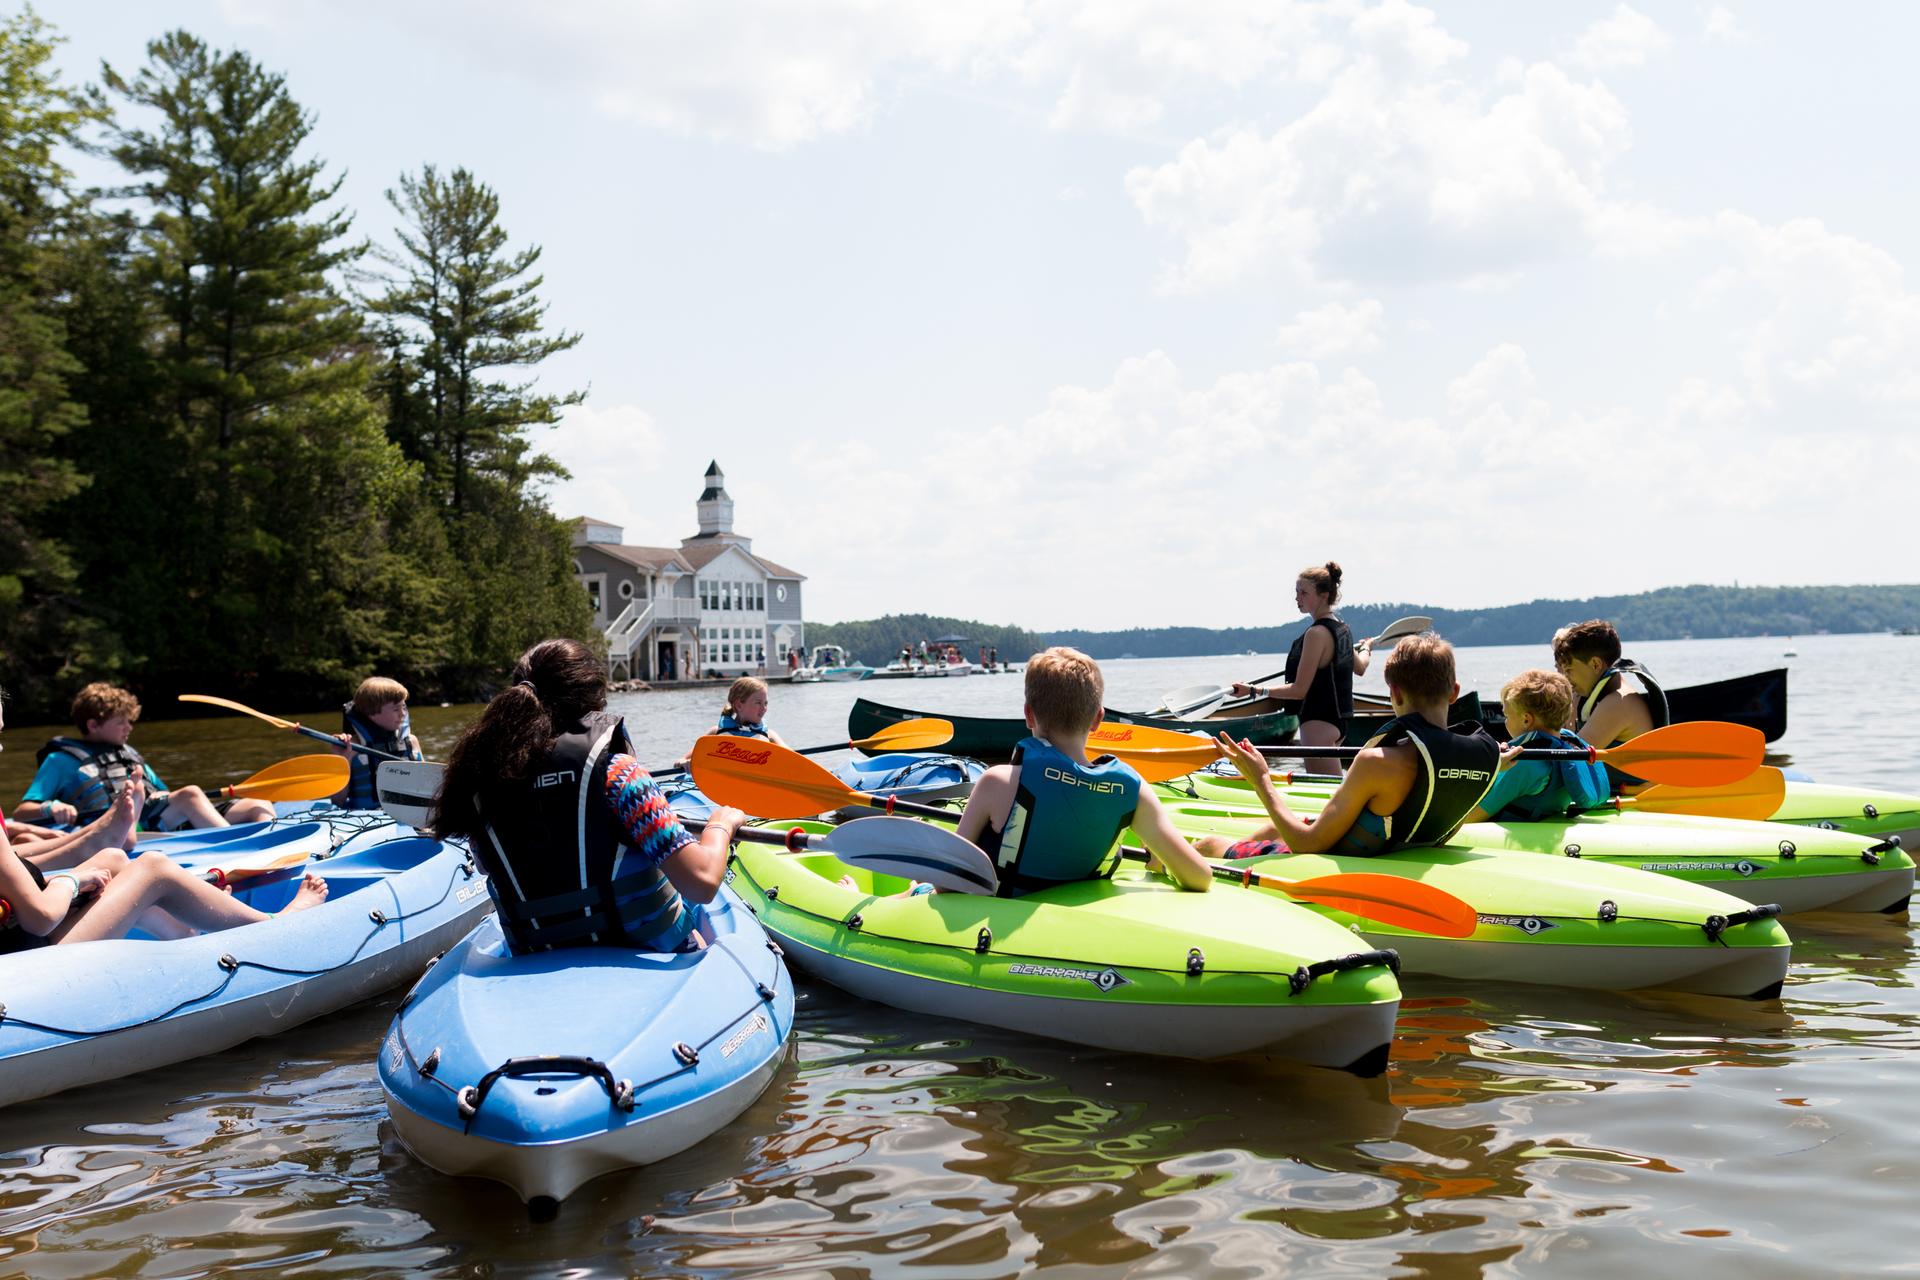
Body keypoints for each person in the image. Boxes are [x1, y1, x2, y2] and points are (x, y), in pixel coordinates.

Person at [429, 638, 747, 955]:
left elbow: (487, 867)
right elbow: (702, 883)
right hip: (640, 951)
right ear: (596, 700)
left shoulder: (481, 782)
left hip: (537, 955)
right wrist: (720, 825)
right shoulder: (620, 775)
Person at [0, 697, 326, 955]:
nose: (1, 746)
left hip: (16, 937)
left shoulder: (128, 754)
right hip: (32, 956)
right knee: (153, 867)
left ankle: (183, 932)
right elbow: (40, 919)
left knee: (112, 859)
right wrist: (71, 880)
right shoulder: (61, 761)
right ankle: (273, 924)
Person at [1197, 634, 1499, 858]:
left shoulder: (1378, 762)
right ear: (1454, 693)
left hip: (1330, 862)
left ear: (1394, 693)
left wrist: (1260, 778)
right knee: (1270, 830)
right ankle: (1249, 854)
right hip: (1402, 848)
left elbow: (1307, 844)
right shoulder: (1487, 757)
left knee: (1208, 845)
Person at [955, 646, 1213, 897]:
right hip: (1077, 928)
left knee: (917, 889)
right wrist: (1160, 861)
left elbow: (948, 879)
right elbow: (1200, 877)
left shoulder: (997, 782)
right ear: (1098, 719)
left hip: (1000, 918)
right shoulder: (1134, 791)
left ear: (1028, 714)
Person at [15, 683, 275, 832]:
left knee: (255, 804)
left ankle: (272, 845)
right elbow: (22, 812)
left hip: (158, 818)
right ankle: (237, 849)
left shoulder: (127, 754)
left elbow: (163, 794)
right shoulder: (61, 761)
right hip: (126, 828)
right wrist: (52, 808)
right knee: (191, 794)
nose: (129, 728)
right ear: (93, 725)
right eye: (121, 722)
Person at [1231, 562, 1372, 775]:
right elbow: (1360, 667)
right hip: (1339, 722)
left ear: (1324, 595)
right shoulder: (1342, 629)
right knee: (1330, 790)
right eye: (1297, 592)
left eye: (1304, 593)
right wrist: (1367, 648)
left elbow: (1299, 690)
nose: (1297, 598)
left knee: (1325, 793)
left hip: (1318, 723)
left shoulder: (1316, 634)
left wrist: (1254, 690)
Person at [1461, 670, 1611, 823]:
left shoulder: (1525, 763)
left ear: (1526, 720)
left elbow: (1474, 814)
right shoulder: (1568, 745)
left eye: (1506, 716)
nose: (1505, 721)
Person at [1552, 620, 1670, 792]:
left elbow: (1569, 762)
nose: (1566, 678)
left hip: (1629, 804)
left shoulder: (1619, 703)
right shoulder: (1595, 697)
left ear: (1595, 665)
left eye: (1569, 670)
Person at [331, 676, 425, 811]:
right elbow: (336, 802)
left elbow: (427, 786)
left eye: (404, 707)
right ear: (372, 713)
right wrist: (343, 759)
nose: (403, 714)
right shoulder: (350, 746)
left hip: (409, 816)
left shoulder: (411, 742)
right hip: (368, 821)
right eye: (396, 709)